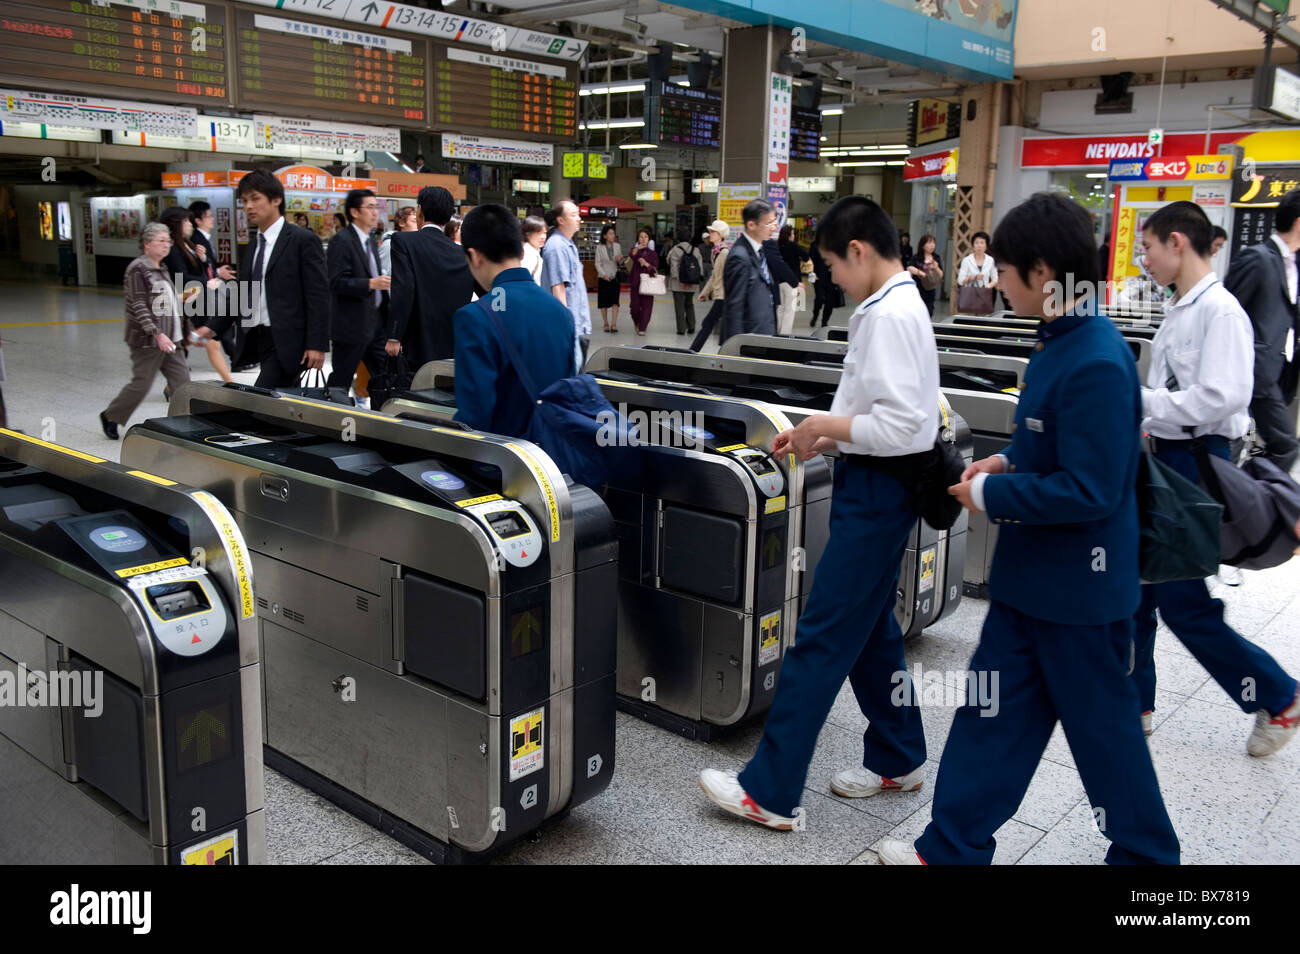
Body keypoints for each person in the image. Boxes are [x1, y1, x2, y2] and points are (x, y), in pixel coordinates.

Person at [879, 192, 1181, 866]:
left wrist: (990, 490)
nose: (999, 282)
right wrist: (1008, 460)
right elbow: (1058, 448)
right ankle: (950, 847)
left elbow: (1093, 488)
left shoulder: (1097, 360)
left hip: (1081, 598)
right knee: (990, 719)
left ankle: (1148, 860)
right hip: (1029, 587)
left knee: (1106, 743)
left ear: (1044, 271)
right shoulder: (1058, 342)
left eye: (1007, 272)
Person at [698, 196, 939, 831]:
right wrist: (827, 438)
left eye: (832, 263)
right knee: (871, 631)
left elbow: (905, 425)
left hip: (878, 494)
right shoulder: (900, 302)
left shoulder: (886, 315)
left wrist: (825, 423)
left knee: (824, 637)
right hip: (883, 485)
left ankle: (770, 792)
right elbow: (894, 414)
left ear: (858, 250)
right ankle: (899, 753)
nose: (830, 276)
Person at [1133, 199, 1299, 755]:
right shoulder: (1183, 306)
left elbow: (1225, 395)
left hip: (1198, 462)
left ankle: (1278, 697)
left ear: (1177, 242)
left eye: (1149, 247)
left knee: (1181, 600)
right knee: (1141, 587)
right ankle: (1137, 701)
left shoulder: (1220, 310)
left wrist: (1144, 402)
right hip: (1169, 458)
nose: (1144, 258)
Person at [191, 169, 330, 389]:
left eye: (255, 199)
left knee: (261, 397)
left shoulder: (302, 240)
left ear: (276, 200)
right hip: (260, 337)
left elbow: (319, 295)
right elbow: (243, 292)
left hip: (291, 340)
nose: (248, 206)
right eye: (244, 200)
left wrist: (317, 344)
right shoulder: (255, 244)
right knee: (280, 404)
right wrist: (211, 327)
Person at [452, 204, 576, 438]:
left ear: (474, 256)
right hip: (553, 458)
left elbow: (475, 416)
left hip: (503, 463)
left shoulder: (474, 317)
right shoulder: (560, 312)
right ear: (521, 250)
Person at [1224, 188, 1300, 473]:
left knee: (1241, 441)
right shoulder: (1258, 258)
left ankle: (1239, 498)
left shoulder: (1291, 264)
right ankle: (1251, 500)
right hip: (1254, 374)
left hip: (1278, 373)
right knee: (1285, 446)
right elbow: (1228, 312)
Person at [99, 222, 191, 439]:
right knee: (142, 384)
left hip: (171, 339)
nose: (166, 245)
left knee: (183, 383)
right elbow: (138, 304)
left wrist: (181, 299)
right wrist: (156, 333)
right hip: (148, 340)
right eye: (161, 241)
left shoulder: (161, 267)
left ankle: (184, 426)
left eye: (168, 241)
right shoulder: (137, 269)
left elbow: (162, 301)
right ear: (147, 243)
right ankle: (110, 416)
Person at [385, 186, 474, 365]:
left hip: (418, 342)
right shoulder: (462, 254)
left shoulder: (404, 241)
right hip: (454, 342)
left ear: (420, 211)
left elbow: (403, 288)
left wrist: (394, 336)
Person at [325, 189, 390, 394]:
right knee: (341, 380)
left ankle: (384, 420)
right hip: (351, 325)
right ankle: (329, 418)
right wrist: (370, 284)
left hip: (376, 323)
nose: (374, 212)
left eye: (376, 207)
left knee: (384, 378)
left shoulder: (370, 240)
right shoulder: (342, 241)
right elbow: (335, 281)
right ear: (354, 212)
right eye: (369, 207)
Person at [160, 206, 230, 385]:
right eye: (186, 221)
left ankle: (172, 385)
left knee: (189, 344)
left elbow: (197, 270)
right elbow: (181, 278)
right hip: (186, 301)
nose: (190, 225)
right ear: (176, 224)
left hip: (196, 299)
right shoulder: (173, 249)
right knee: (210, 342)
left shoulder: (188, 245)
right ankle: (229, 382)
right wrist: (206, 283)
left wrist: (203, 259)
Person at [539, 198, 590, 369]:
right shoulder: (557, 247)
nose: (578, 218)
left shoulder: (568, 244)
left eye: (578, 214)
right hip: (566, 327)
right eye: (573, 215)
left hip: (575, 324)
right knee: (570, 374)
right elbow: (558, 288)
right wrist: (566, 326)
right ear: (560, 220)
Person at [721, 198, 778, 343]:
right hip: (748, 341)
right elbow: (734, 306)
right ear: (751, 225)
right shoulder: (739, 257)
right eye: (768, 223)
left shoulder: (759, 250)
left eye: (775, 222)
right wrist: (737, 346)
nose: (774, 227)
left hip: (761, 335)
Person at [689, 220, 730, 351]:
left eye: (713, 232)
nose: (710, 234)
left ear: (720, 234)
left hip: (724, 295)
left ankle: (693, 350)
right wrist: (705, 292)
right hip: (720, 295)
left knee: (708, 323)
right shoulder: (716, 251)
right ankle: (724, 352)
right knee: (720, 325)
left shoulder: (724, 253)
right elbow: (714, 276)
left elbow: (726, 276)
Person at [667, 234, 704, 335]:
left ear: (678, 239)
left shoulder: (675, 249)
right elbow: (699, 266)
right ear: (690, 239)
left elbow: (673, 266)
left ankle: (681, 329)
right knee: (689, 304)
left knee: (679, 306)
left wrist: (679, 279)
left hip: (678, 283)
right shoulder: (696, 250)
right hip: (692, 282)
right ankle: (691, 326)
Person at [766, 232, 802, 335]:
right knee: (790, 309)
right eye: (793, 234)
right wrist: (795, 282)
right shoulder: (793, 246)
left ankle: (777, 331)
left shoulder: (778, 246)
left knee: (780, 309)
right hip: (790, 281)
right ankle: (785, 333)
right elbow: (805, 255)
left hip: (779, 281)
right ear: (790, 236)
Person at [627, 227, 659, 337]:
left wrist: (646, 264)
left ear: (649, 239)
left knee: (646, 307)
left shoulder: (653, 254)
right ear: (638, 239)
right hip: (635, 283)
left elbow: (655, 270)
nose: (643, 239)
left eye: (645, 237)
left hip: (648, 284)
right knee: (634, 307)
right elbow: (631, 254)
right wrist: (637, 248)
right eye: (641, 237)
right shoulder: (635, 251)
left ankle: (643, 327)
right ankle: (636, 321)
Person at [594, 225, 624, 332]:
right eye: (610, 234)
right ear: (605, 236)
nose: (613, 236)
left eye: (613, 233)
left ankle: (614, 324)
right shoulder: (599, 247)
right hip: (604, 277)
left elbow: (621, 263)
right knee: (604, 302)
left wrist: (619, 260)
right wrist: (603, 274)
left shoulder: (617, 246)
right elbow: (597, 263)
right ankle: (605, 323)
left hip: (614, 276)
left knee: (615, 301)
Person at [907, 234, 943, 316]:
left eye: (933, 243)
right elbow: (909, 268)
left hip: (930, 291)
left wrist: (936, 267)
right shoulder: (916, 257)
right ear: (923, 245)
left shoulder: (936, 257)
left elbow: (941, 275)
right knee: (916, 314)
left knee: (928, 313)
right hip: (917, 290)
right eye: (929, 243)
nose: (932, 245)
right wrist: (921, 273)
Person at [378, 205, 418, 276]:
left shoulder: (412, 244)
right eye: (414, 221)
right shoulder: (389, 244)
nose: (418, 225)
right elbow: (385, 276)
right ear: (401, 223)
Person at [808, 241, 838, 328]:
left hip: (832, 277)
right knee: (819, 298)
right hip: (819, 276)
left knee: (830, 302)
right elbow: (810, 260)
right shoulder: (815, 244)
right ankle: (815, 315)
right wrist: (812, 273)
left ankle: (825, 321)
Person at [521, 215, 548, 286]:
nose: (543, 237)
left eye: (544, 233)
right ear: (527, 234)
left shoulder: (533, 251)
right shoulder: (529, 254)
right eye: (539, 233)